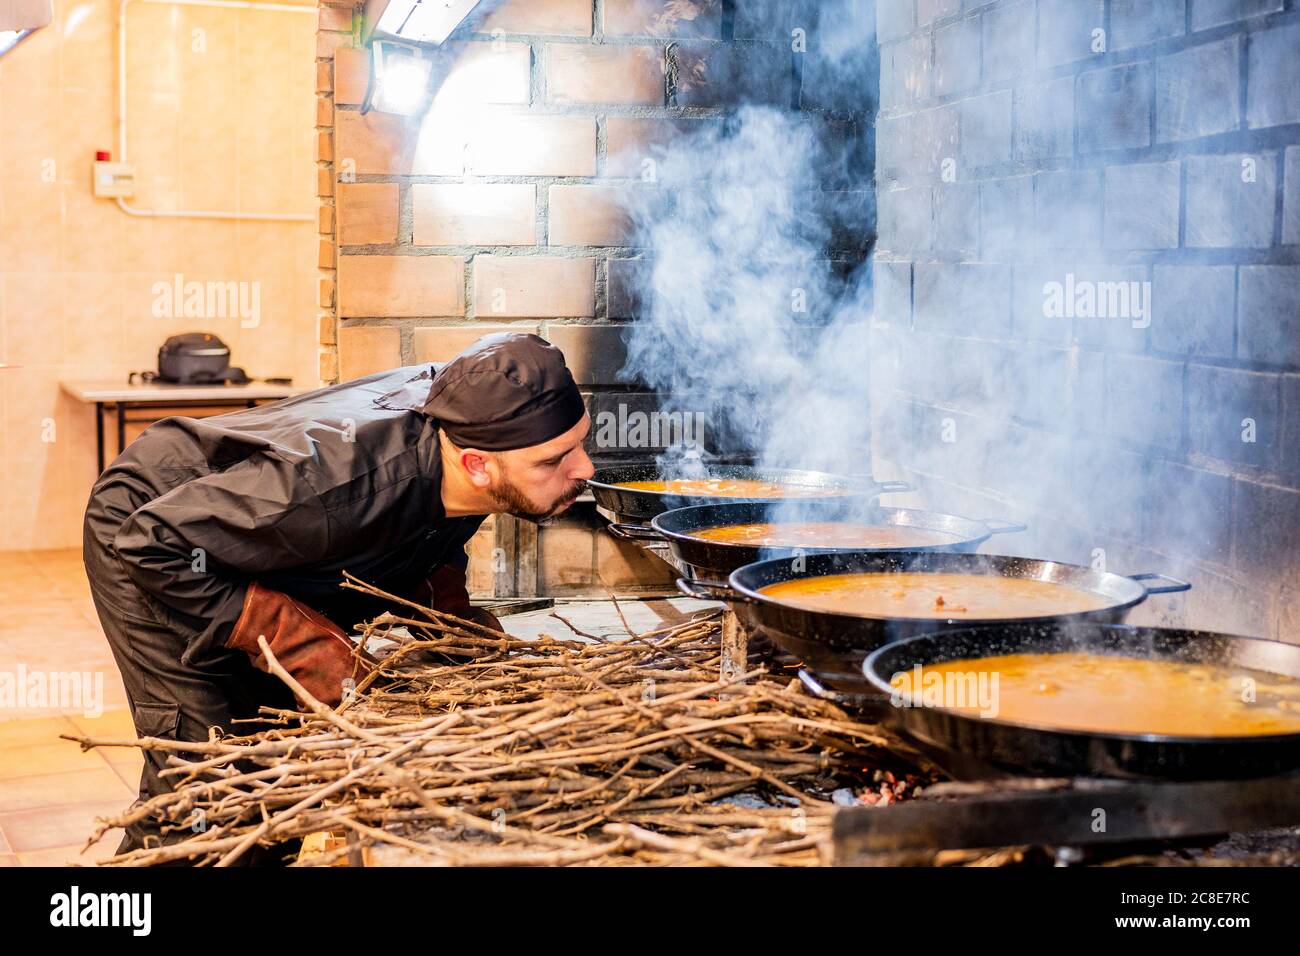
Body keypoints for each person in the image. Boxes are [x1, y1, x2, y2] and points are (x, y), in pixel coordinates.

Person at [81, 332, 594, 859]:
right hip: (156, 529)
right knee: (206, 781)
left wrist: (447, 615)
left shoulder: (479, 419)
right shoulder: (331, 493)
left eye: (581, 442)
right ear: (477, 466)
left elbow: (427, 532)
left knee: (280, 766)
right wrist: (297, 641)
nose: (585, 469)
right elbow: (149, 542)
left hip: (246, 535)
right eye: (556, 460)